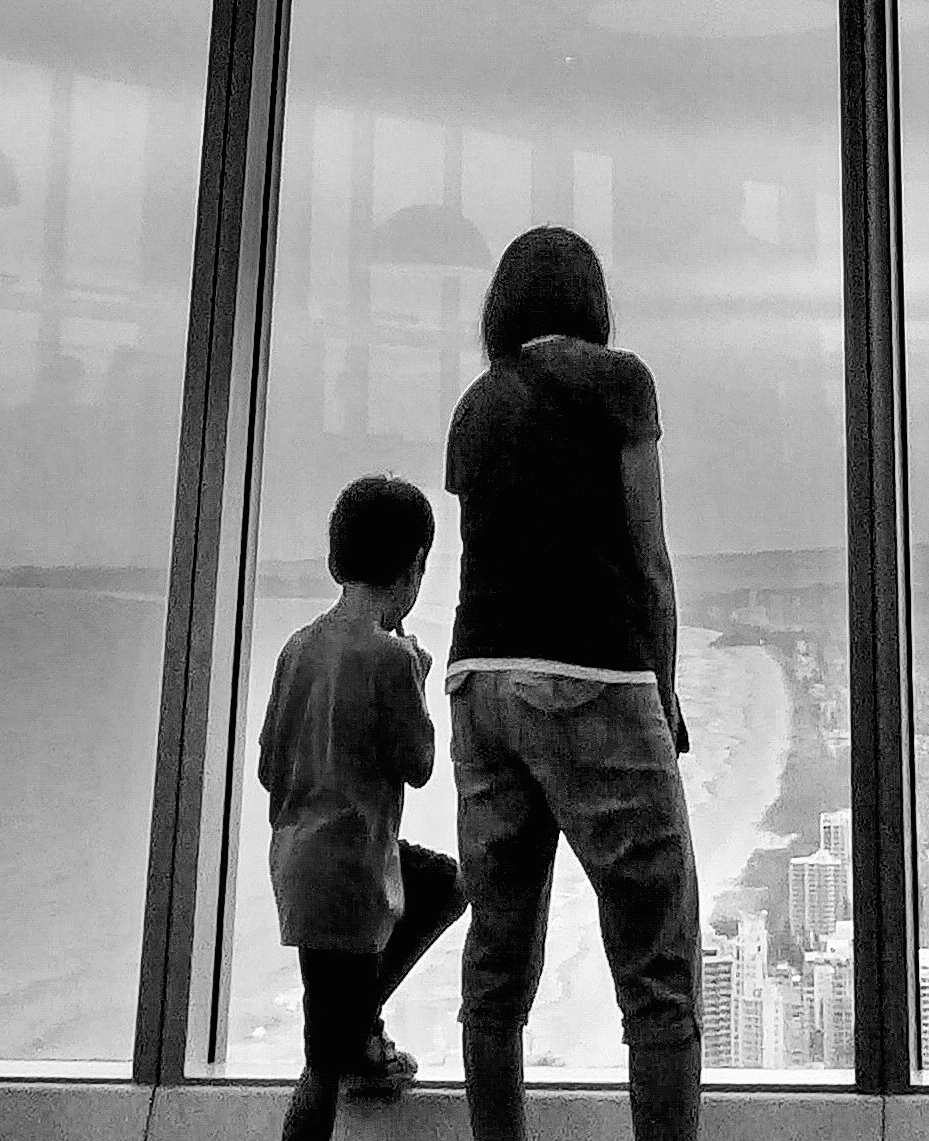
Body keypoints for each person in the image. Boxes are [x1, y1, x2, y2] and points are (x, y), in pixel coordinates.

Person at [446, 228, 698, 1141]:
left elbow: (488, 556)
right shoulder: (621, 382)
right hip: (594, 676)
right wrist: (663, 697)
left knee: (496, 962)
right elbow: (649, 560)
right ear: (589, 301)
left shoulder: (475, 406)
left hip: (479, 681)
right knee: (656, 968)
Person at [260, 472, 468, 1141]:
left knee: (439, 880)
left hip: (297, 861)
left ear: (334, 559)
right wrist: (417, 671)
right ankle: (357, 1037)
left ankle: (359, 1031)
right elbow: (419, 763)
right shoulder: (388, 656)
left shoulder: (298, 646)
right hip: (352, 873)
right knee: (319, 1067)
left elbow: (270, 766)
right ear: (414, 570)